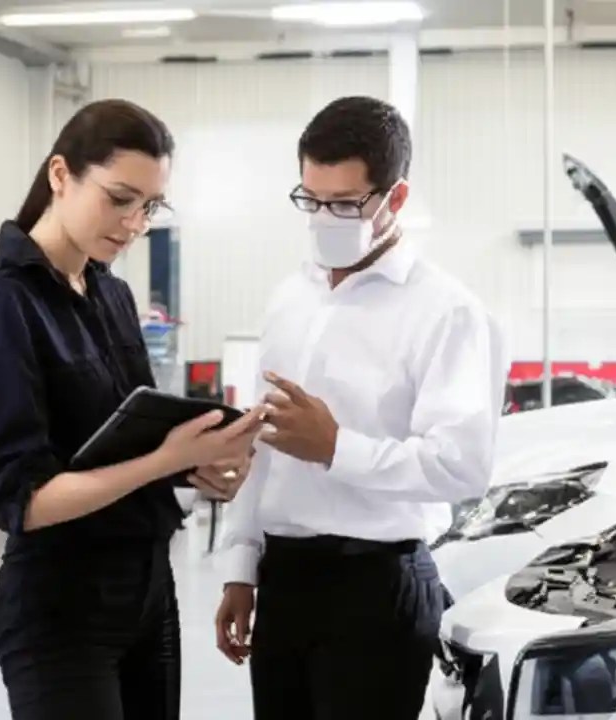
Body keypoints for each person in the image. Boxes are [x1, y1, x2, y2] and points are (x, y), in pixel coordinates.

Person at [0, 98, 262, 720]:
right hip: (59, 606)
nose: (134, 223)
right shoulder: (0, 308)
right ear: (60, 175)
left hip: (147, 591)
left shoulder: (111, 293)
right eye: (119, 199)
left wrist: (201, 468)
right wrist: (165, 460)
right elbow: (26, 501)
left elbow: (132, 443)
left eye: (150, 206)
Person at [213, 96, 509, 719]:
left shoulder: (445, 311)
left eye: (345, 203)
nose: (324, 218)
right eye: (311, 199)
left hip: (377, 585)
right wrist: (242, 564)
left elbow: (461, 467)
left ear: (395, 199)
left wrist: (335, 447)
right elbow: (263, 441)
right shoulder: (289, 297)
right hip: (287, 581)